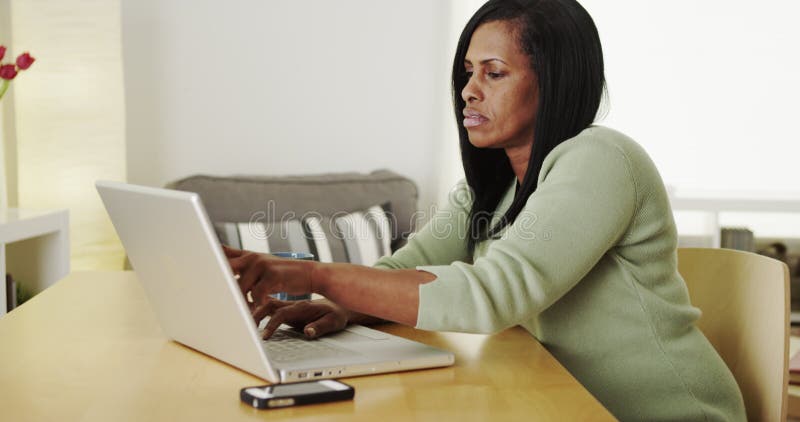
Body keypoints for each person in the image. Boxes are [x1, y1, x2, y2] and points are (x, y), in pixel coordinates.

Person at [225, 0, 747, 420]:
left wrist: (317, 275)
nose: (468, 91)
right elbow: (407, 267)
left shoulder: (601, 159)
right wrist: (346, 307)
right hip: (559, 402)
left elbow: (492, 295)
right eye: (468, 72)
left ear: (555, 81)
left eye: (494, 73)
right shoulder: (492, 187)